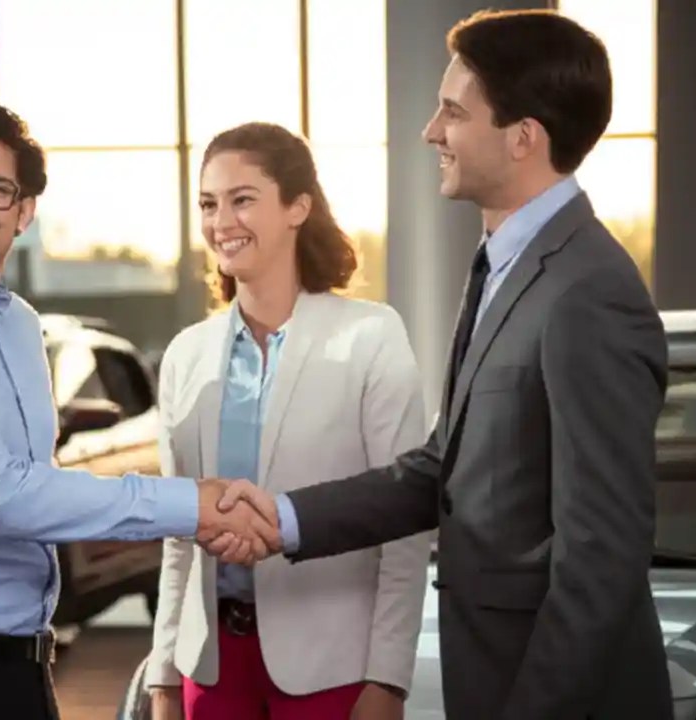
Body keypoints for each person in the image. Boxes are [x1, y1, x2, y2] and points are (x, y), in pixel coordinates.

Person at [213, 9, 673, 720]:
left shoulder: (589, 292)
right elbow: (442, 470)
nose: (432, 132)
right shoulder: (506, 266)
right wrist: (286, 518)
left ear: (524, 137)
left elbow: (600, 561)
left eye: (453, 113)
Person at [0, 97, 283, 720]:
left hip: (22, 667)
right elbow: (5, 497)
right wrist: (191, 504)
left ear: (24, 211)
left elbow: (36, 478)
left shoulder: (17, 324)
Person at [145, 123, 431, 720]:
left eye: (242, 199)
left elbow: (405, 527)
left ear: (298, 206)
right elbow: (179, 534)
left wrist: (389, 679)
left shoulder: (370, 337)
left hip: (334, 667)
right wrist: (164, 675)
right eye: (209, 203)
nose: (222, 221)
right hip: (213, 669)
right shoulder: (185, 354)